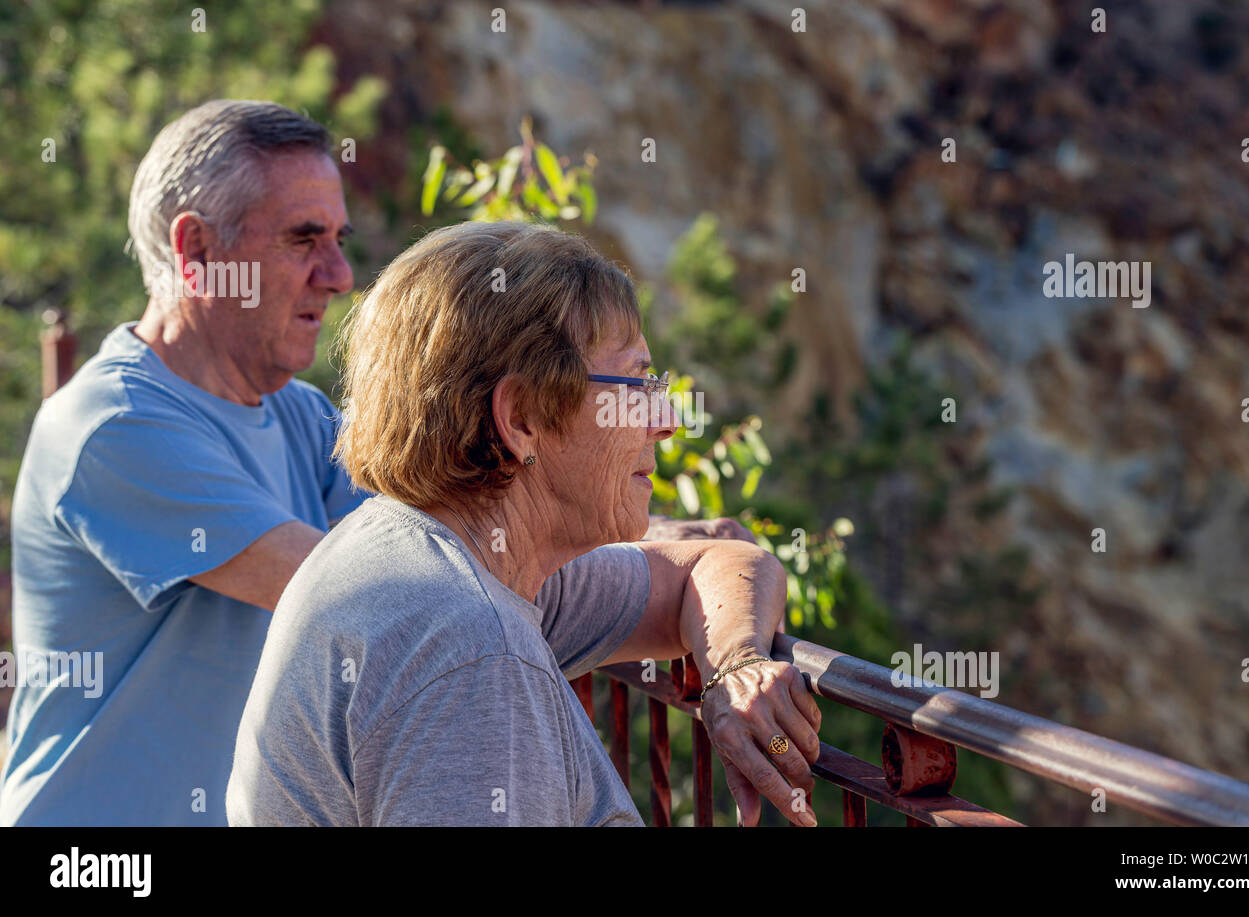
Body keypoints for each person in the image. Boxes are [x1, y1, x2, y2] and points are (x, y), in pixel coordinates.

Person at [0, 100, 746, 826]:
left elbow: (448, 521)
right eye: (304, 239)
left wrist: (658, 545)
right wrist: (636, 548)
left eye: (340, 237)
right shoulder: (114, 426)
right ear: (197, 253)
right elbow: (399, 590)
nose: (339, 273)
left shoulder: (296, 414)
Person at [226, 221, 823, 826]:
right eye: (635, 384)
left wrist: (738, 667)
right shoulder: (471, 649)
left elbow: (721, 559)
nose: (666, 418)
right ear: (523, 419)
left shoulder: (436, 555)